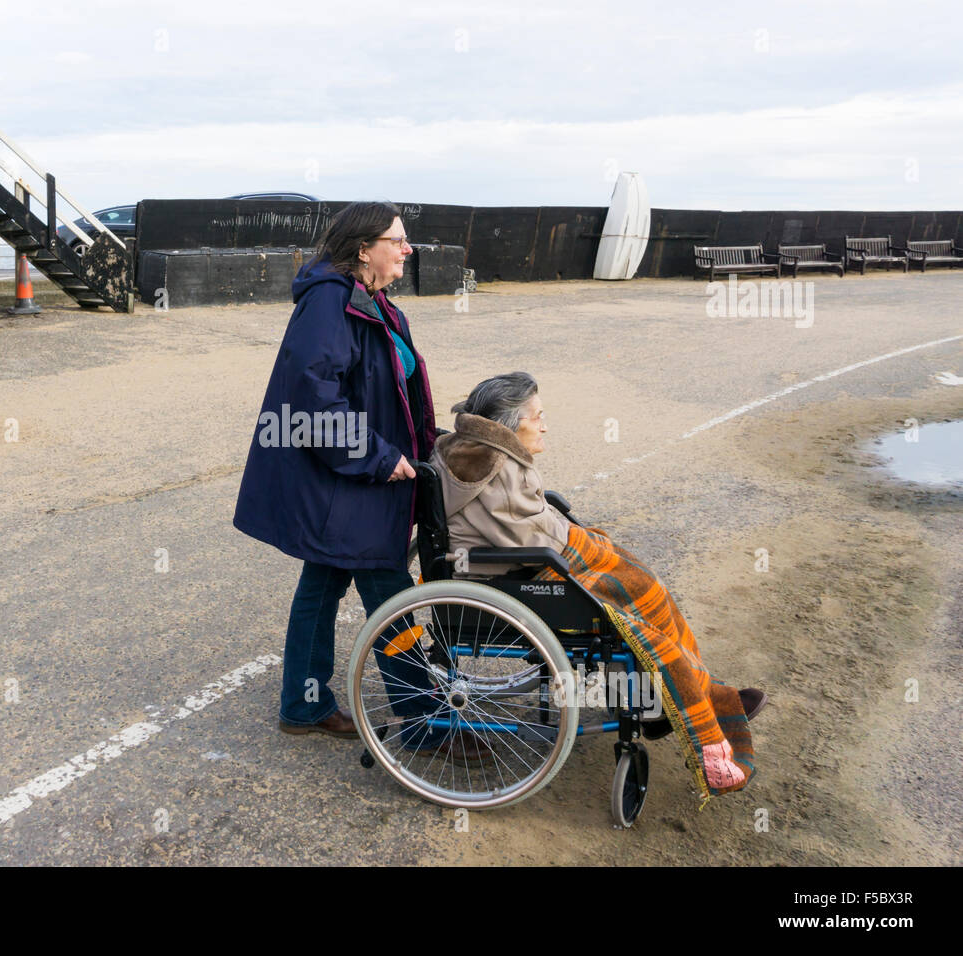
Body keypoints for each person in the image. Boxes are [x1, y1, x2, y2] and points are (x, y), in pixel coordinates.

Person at [430, 371, 766, 797]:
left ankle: (674, 699)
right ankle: (684, 705)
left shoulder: (480, 453)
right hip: (510, 579)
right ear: (511, 425)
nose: (545, 424)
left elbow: (527, 522)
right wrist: (581, 540)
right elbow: (530, 538)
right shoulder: (492, 464)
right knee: (636, 603)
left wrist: (581, 537)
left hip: (513, 569)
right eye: (538, 416)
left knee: (637, 579)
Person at [233, 201, 472, 754]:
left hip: (363, 474)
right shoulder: (328, 302)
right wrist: (379, 458)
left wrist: (429, 441)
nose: (408, 250)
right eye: (398, 240)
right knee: (390, 590)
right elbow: (314, 400)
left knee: (322, 582)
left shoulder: (379, 304)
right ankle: (425, 721)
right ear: (364, 248)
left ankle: (304, 704)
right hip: (347, 477)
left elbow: (396, 391)